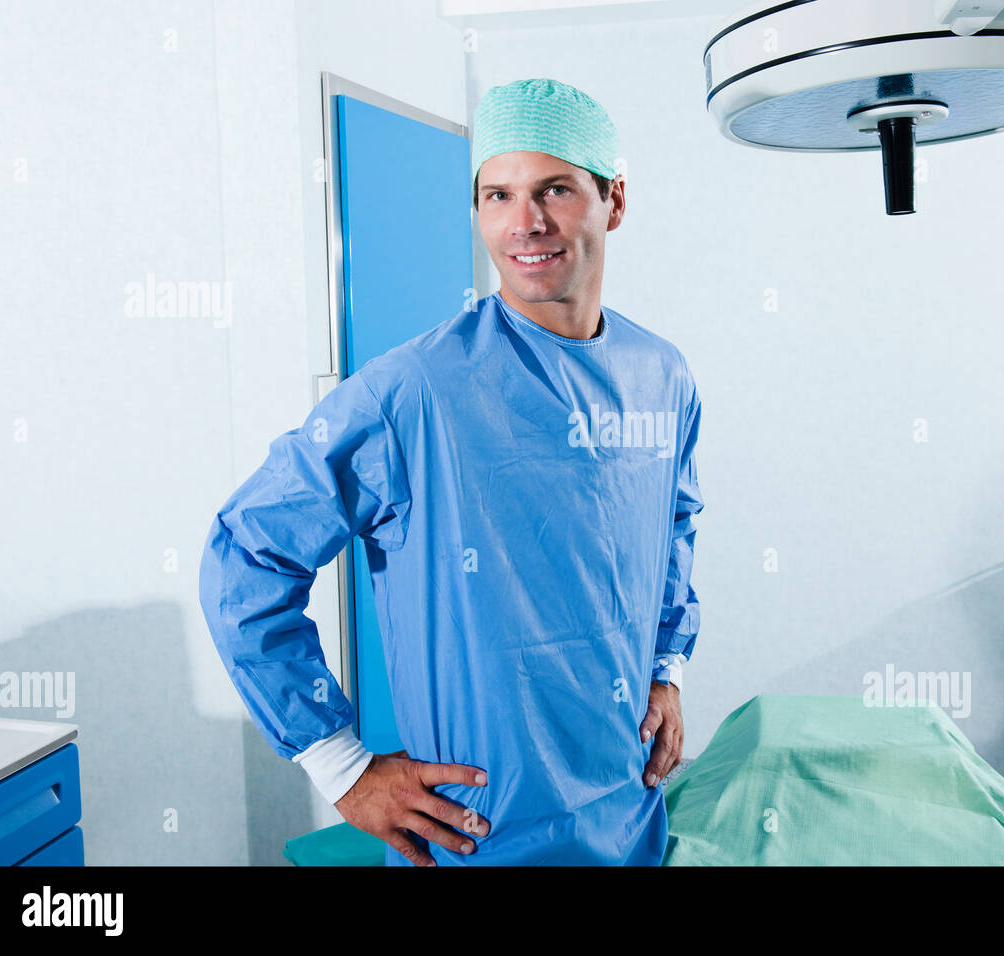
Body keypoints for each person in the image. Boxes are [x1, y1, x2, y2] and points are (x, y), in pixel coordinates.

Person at [198, 77, 704, 866]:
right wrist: (341, 766)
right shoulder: (415, 392)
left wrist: (667, 667)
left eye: (555, 190)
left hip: (628, 815)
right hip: (479, 835)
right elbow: (246, 556)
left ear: (615, 200)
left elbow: (671, 524)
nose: (525, 222)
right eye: (497, 195)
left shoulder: (661, 376)